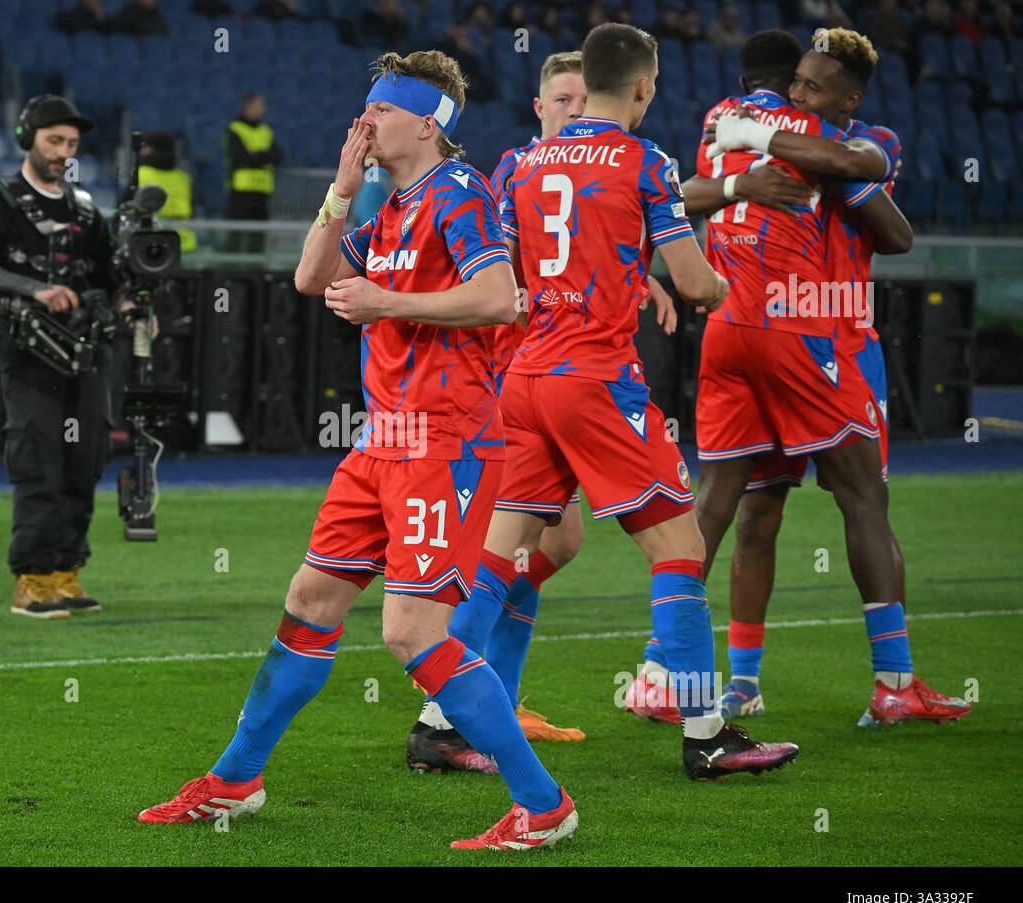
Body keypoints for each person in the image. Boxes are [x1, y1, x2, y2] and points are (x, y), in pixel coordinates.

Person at [138, 50, 579, 850]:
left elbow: (498, 297)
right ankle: (235, 782)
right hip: (382, 444)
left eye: (379, 110)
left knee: (414, 634)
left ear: (427, 121)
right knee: (309, 602)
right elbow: (311, 276)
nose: (364, 120)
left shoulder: (461, 191)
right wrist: (342, 190)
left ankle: (542, 804)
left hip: (447, 443)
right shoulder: (391, 205)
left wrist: (386, 299)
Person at [467, 22, 800, 781]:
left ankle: (439, 720)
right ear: (645, 87)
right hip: (596, 380)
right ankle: (708, 735)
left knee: (502, 559)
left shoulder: (521, 163)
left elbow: (511, 271)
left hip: (527, 379)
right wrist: (717, 287)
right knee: (679, 552)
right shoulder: (643, 160)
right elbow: (693, 280)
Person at [682, 29, 969, 727]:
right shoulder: (775, 131)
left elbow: (893, 230)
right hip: (789, 330)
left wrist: (785, 150)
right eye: (797, 83)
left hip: (842, 335)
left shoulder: (870, 142)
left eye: (813, 87)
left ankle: (892, 679)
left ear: (848, 97)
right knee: (761, 508)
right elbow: (692, 191)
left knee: (862, 499)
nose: (799, 95)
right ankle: (743, 681)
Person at [406, 48, 674, 763]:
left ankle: (485, 690)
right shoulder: (515, 173)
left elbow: (588, 252)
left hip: (546, 375)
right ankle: (451, 690)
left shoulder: (573, 174)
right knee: (530, 541)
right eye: (562, 99)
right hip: (518, 378)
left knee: (548, 542)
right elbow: (504, 277)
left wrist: (640, 279)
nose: (574, 110)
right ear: (539, 108)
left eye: (583, 98)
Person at [0, 96, 128, 620]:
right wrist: (36, 289)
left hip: (86, 350)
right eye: (54, 140)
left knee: (86, 457)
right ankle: (31, 579)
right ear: (26, 137)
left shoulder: (85, 207)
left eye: (71, 144)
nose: (63, 152)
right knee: (38, 460)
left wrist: (132, 306)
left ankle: (65, 572)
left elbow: (107, 277)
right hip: (28, 351)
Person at [223, 92, 280, 253]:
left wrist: (255, 156)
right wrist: (264, 155)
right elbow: (240, 157)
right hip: (240, 190)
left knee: (259, 234)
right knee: (236, 232)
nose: (264, 109)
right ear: (249, 107)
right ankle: (233, 267)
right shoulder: (234, 128)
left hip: (262, 190)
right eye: (260, 105)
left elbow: (278, 156)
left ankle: (255, 267)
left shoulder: (266, 130)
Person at [136, 132, 197, 252]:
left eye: (145, 148)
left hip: (152, 243)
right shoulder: (183, 177)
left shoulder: (141, 174)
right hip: (184, 244)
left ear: (151, 150)